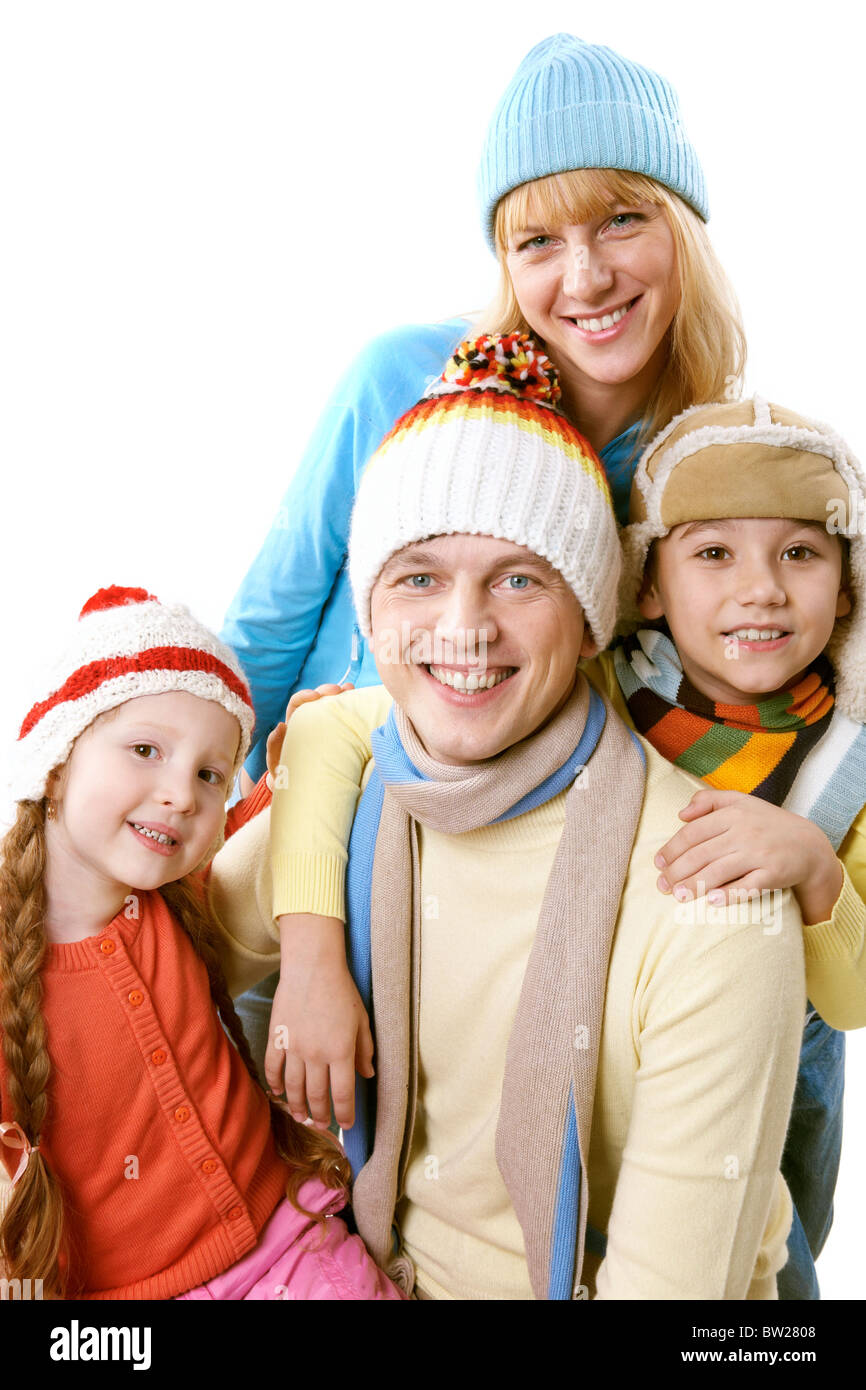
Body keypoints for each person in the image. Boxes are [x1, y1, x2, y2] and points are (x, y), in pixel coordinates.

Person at [211, 337, 806, 1299]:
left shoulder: (714, 899)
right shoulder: (343, 803)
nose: (465, 628)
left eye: (521, 579)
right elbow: (112, 982)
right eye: (418, 578)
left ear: (591, 617)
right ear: (369, 614)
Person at [220, 29, 745, 1099]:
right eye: (535, 240)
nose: (583, 275)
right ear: (499, 259)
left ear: (682, 231)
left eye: (621, 220)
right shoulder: (402, 380)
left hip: (508, 897)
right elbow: (269, 631)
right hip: (325, 845)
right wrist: (231, 861)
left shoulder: (711, 466)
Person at [0, 585, 402, 1301]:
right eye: (145, 750)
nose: (181, 794)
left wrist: (300, 764)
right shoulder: (9, 974)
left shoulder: (174, 903)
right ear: (57, 763)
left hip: (288, 1244)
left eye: (208, 774)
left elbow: (264, 834)